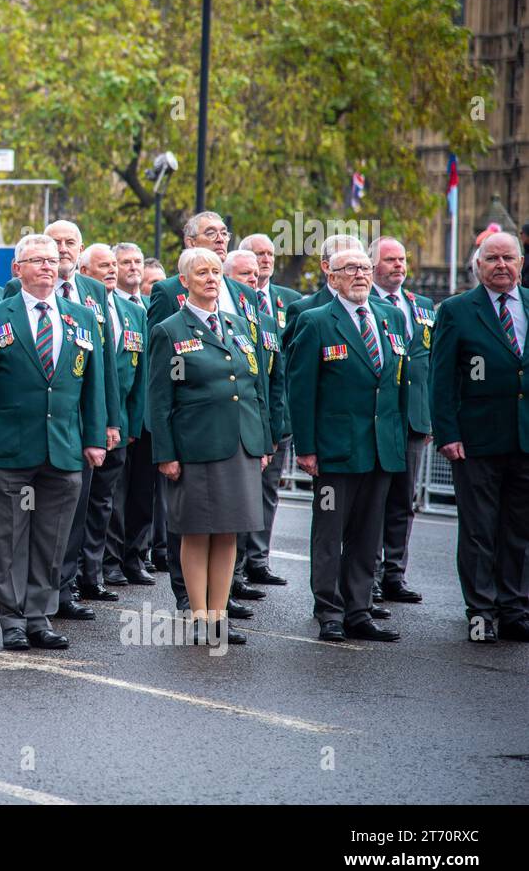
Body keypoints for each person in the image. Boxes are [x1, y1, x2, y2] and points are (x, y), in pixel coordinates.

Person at [0, 233, 108, 650]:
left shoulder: (80, 317)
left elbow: (93, 386)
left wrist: (95, 437)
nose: (48, 265)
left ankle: (39, 617)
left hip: (62, 449)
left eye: (53, 259)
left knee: (52, 538)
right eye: (38, 260)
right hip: (11, 449)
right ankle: (12, 620)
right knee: (8, 538)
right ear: (17, 269)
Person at [148, 213, 280, 616]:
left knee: (228, 533)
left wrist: (263, 440)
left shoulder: (240, 325)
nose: (211, 278)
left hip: (239, 444)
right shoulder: (170, 330)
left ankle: (219, 613)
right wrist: (166, 453)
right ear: (184, 281)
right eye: (201, 272)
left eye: (216, 272)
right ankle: (198, 612)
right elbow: (160, 399)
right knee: (196, 532)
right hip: (196, 446)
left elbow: (256, 386)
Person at [288, 246, 408, 643]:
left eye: (364, 267)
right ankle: (330, 611)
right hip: (335, 450)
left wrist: (400, 435)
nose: (359, 274)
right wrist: (305, 447)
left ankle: (359, 610)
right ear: (332, 277)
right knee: (330, 532)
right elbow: (301, 390)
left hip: (379, 448)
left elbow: (397, 381)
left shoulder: (389, 317)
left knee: (367, 534)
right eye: (350, 268)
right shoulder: (316, 321)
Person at [430, 231, 529, 643]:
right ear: (478, 266)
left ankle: (515, 609)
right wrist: (447, 433)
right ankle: (481, 612)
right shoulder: (456, 310)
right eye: (493, 259)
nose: (501, 265)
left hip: (523, 440)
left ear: (521, 263)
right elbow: (441, 378)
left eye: (509, 258)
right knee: (478, 529)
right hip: (475, 441)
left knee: (518, 530)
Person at [81, 242, 147, 601]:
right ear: (85, 272)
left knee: (106, 504)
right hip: (87, 425)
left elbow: (139, 377)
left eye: (113, 264)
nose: (111, 270)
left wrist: (130, 425)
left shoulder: (131, 312)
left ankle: (97, 572)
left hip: (118, 424)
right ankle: (78, 571)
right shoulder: (82, 308)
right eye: (103, 265)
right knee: (82, 503)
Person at [234, 232, 301, 588]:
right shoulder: (234, 302)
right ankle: (237, 565)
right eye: (256, 253)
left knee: (267, 492)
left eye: (269, 253)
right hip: (243, 416)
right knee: (242, 493)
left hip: (277, 415)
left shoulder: (287, 301)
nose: (264, 259)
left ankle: (258, 559)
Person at [369, 236, 430, 605]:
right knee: (375, 499)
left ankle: (395, 573)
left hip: (413, 418)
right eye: (390, 259)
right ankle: (370, 573)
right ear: (374, 265)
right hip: (381, 417)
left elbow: (432, 363)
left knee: (403, 500)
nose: (398, 266)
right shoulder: (363, 302)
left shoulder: (422, 306)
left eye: (402, 259)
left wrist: (430, 417)